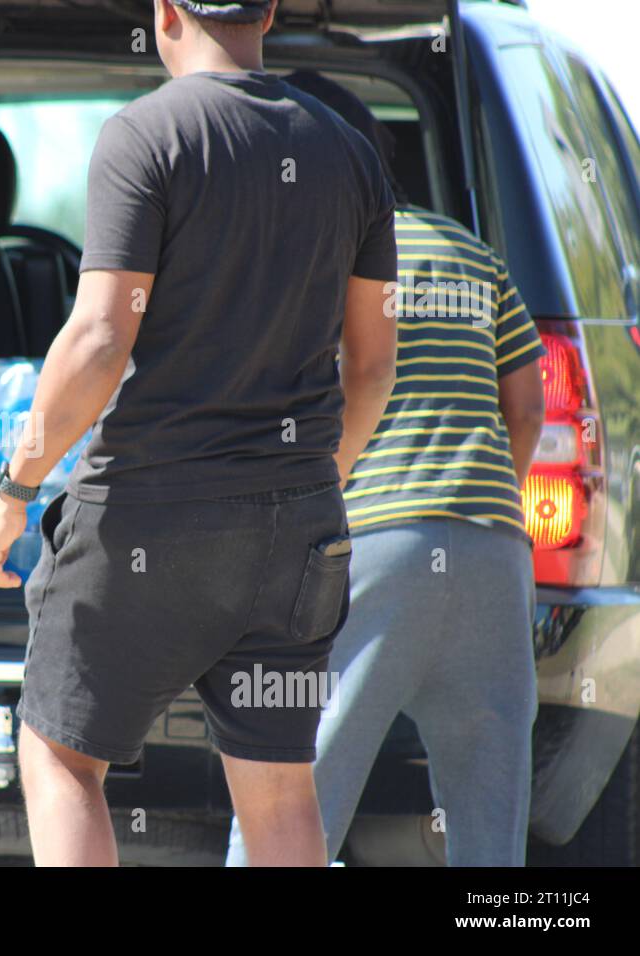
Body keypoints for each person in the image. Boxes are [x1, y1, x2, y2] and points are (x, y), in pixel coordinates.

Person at [0, 0, 399, 866]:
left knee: (57, 755)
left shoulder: (146, 136)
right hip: (298, 535)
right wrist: (318, 480)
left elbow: (97, 339)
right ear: (270, 11)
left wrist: (12, 494)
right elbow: (374, 367)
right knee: (278, 794)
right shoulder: (351, 153)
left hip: (149, 520)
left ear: (165, 13)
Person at [225, 71, 547, 867]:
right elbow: (530, 407)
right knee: (489, 828)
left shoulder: (322, 257)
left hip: (369, 547)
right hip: (494, 559)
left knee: (291, 799)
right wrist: (478, 500)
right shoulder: (473, 255)